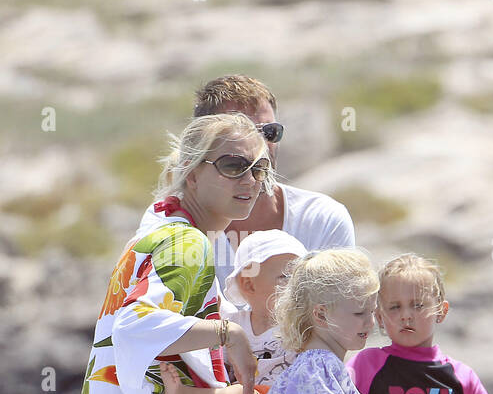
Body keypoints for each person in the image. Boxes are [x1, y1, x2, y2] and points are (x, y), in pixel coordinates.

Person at [80, 113, 266, 394]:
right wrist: (228, 335)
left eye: (259, 169)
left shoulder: (161, 225)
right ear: (192, 174)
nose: (250, 180)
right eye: (233, 166)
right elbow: (133, 326)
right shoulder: (188, 243)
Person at [138, 75, 355, 289]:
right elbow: (143, 314)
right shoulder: (167, 220)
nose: (258, 146)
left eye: (269, 132)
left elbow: (344, 315)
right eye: (240, 133)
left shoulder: (322, 218)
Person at [347, 255, 493, 394]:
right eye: (394, 307)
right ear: (379, 317)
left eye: (417, 305)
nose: (405, 316)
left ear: (441, 311)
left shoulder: (463, 376)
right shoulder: (365, 364)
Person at [158, 229, 306, 394]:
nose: (296, 287)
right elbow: (212, 306)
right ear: (249, 285)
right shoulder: (235, 323)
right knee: (237, 392)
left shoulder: (301, 326)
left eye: (301, 279)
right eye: (285, 277)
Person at [254, 249, 392, 394]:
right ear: (321, 315)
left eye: (372, 311)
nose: (370, 322)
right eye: (359, 313)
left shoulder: (315, 363)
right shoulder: (319, 366)